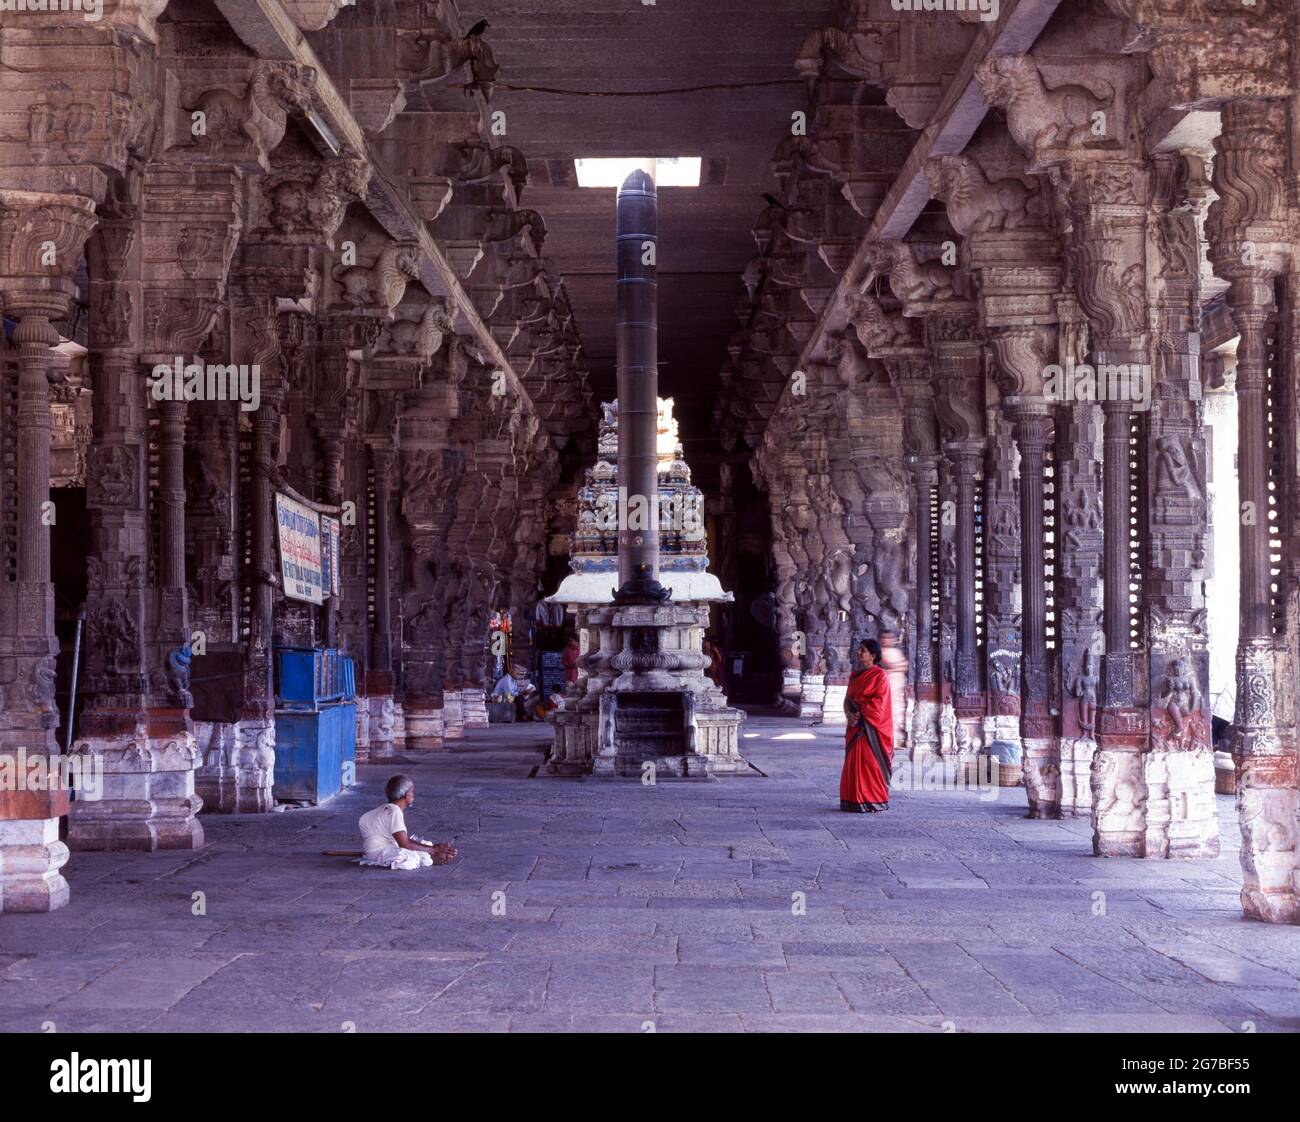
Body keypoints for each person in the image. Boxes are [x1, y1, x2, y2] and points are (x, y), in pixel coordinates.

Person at [357, 775, 457, 869]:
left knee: (426, 845)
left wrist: (433, 847)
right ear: (407, 794)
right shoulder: (395, 811)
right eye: (412, 791)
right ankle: (433, 859)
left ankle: (435, 855)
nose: (413, 795)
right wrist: (433, 851)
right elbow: (404, 844)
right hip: (379, 852)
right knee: (417, 858)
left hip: (376, 849)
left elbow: (404, 840)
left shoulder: (387, 808)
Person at [841, 638, 894, 813]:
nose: (859, 653)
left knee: (869, 763)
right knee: (853, 763)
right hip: (855, 725)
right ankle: (852, 799)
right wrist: (849, 714)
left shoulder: (880, 676)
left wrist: (861, 715)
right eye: (859, 649)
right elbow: (848, 699)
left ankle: (872, 799)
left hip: (869, 728)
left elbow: (880, 702)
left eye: (862, 650)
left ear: (872, 655)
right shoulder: (855, 675)